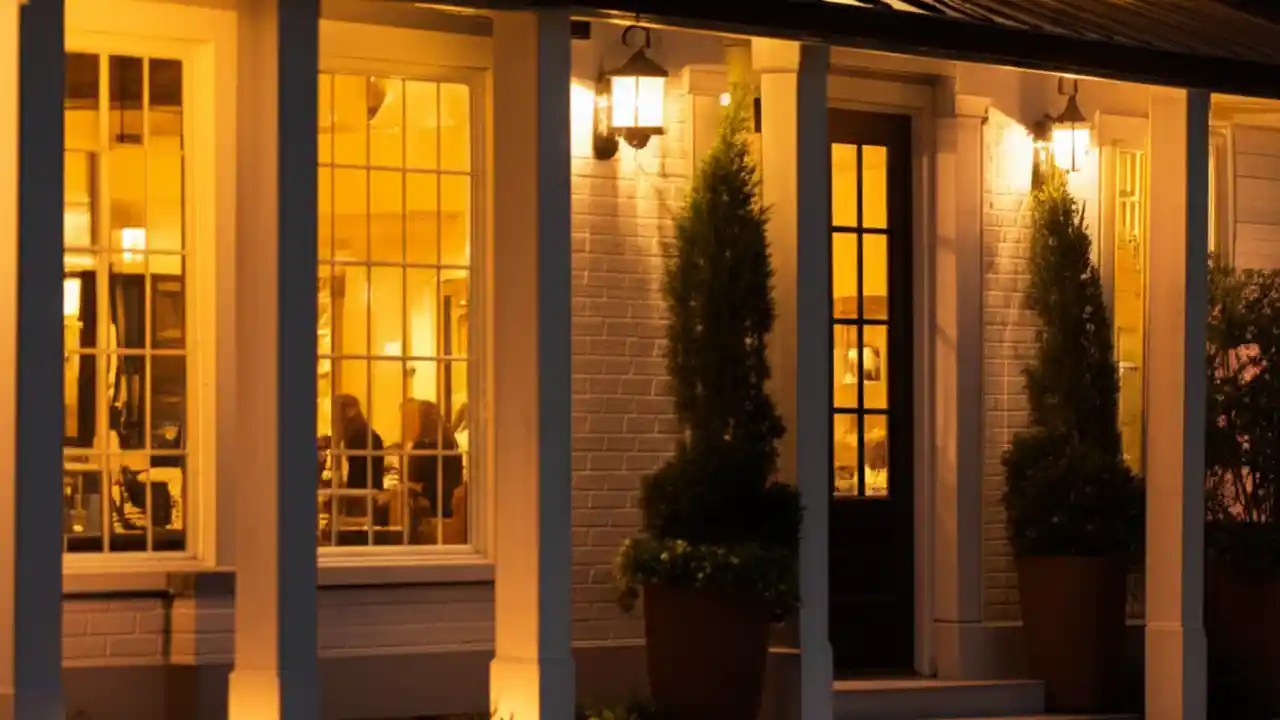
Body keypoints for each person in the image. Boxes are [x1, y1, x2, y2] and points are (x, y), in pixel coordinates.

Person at [406, 401, 464, 528]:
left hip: (430, 507)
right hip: (448, 506)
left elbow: (413, 478)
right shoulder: (449, 442)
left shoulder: (421, 446)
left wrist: (417, 487)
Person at [334, 394, 386, 522]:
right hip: (369, 492)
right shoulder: (367, 433)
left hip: (360, 495)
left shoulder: (355, 434)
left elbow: (356, 473)